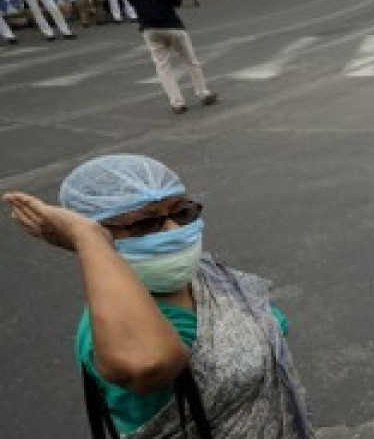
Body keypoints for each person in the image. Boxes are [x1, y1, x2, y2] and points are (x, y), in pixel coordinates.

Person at [3, 154, 314, 437]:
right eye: (144, 223)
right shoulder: (115, 328)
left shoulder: (207, 274)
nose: (171, 229)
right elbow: (148, 362)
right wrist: (85, 239)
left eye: (182, 212)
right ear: (100, 235)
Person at [119, 0, 217, 114]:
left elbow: (131, 0)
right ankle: (203, 93)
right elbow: (176, 1)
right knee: (190, 61)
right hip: (171, 23)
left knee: (163, 66)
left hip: (148, 26)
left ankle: (177, 102)